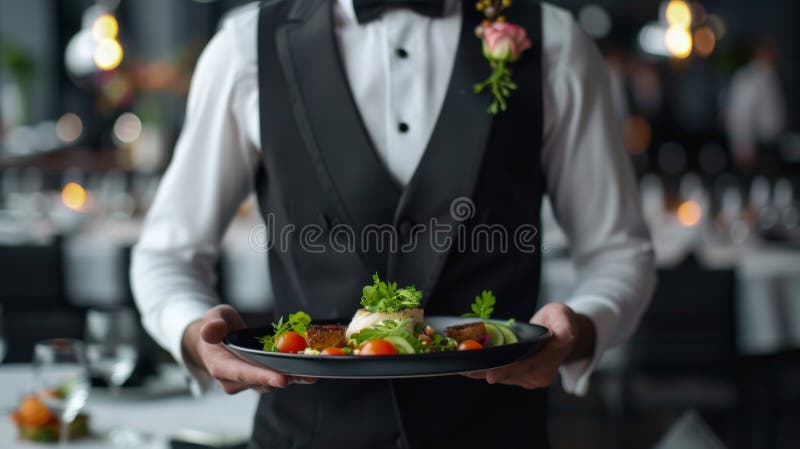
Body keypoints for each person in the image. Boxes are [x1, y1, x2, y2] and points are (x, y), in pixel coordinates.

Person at [131, 1, 656, 448]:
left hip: (496, 432)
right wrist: (195, 334)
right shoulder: (246, 47)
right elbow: (167, 254)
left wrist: (582, 329)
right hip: (307, 435)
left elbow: (619, 253)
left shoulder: (557, 43)